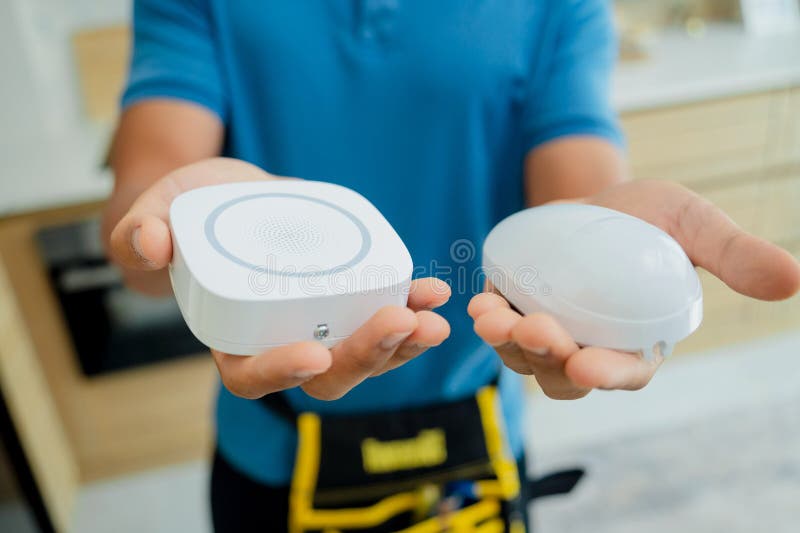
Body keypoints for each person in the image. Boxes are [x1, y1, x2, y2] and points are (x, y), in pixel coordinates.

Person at [102, 1, 800, 531]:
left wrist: (601, 236)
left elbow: (575, 180)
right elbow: (146, 207)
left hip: (477, 439)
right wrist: (167, 228)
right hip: (272, 448)